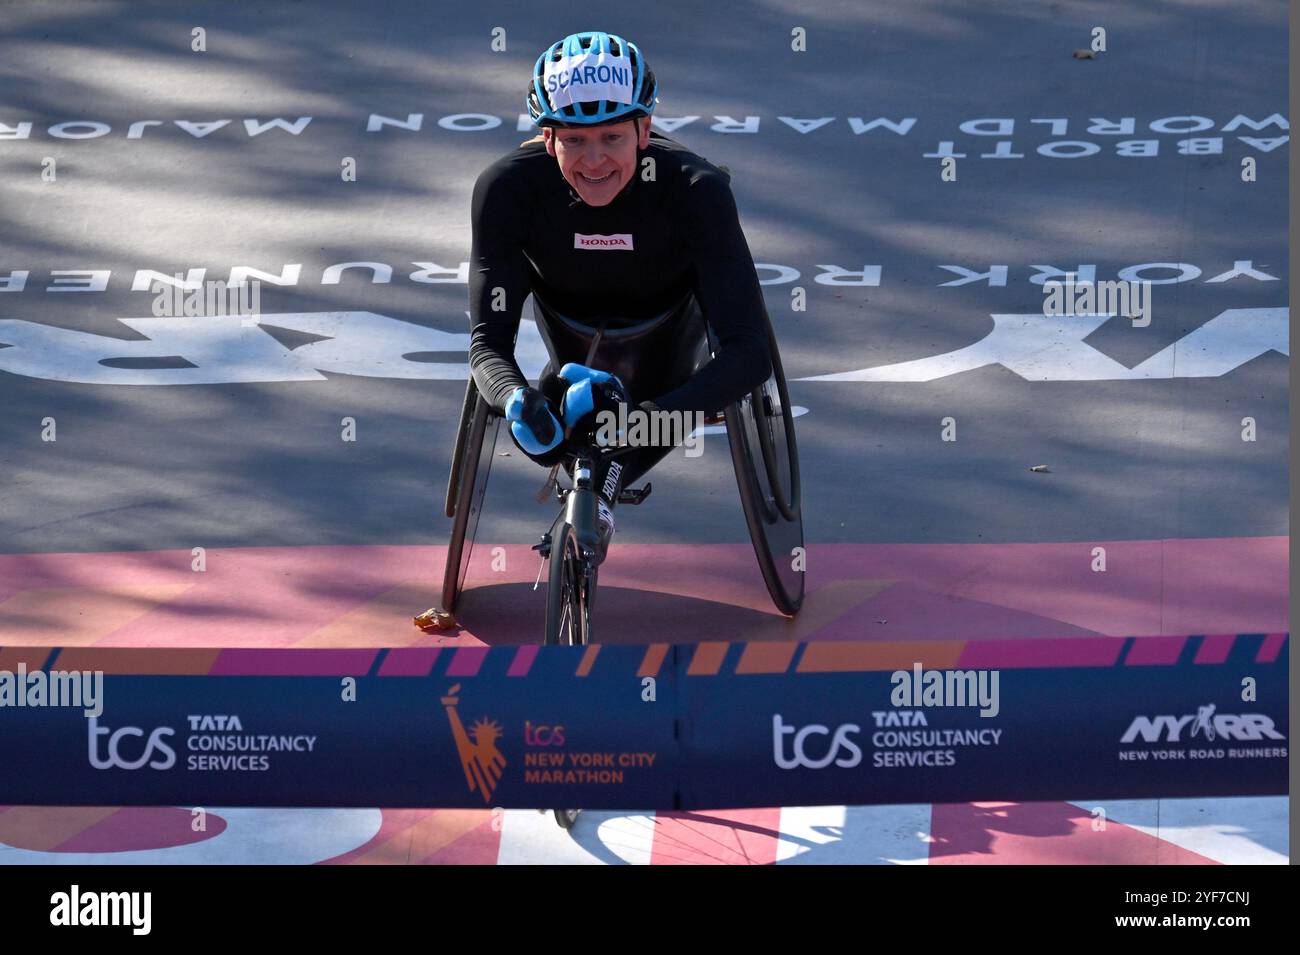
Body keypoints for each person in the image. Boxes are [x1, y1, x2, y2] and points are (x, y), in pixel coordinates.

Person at [468, 30, 772, 564]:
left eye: (612, 138)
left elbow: (748, 354)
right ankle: (591, 462)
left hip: (669, 335)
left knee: (610, 428)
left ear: (644, 130)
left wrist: (651, 419)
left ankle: (603, 474)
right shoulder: (507, 190)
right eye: (574, 140)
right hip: (569, 329)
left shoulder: (696, 191)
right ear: (547, 139)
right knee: (560, 424)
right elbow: (487, 345)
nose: (594, 162)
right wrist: (515, 397)